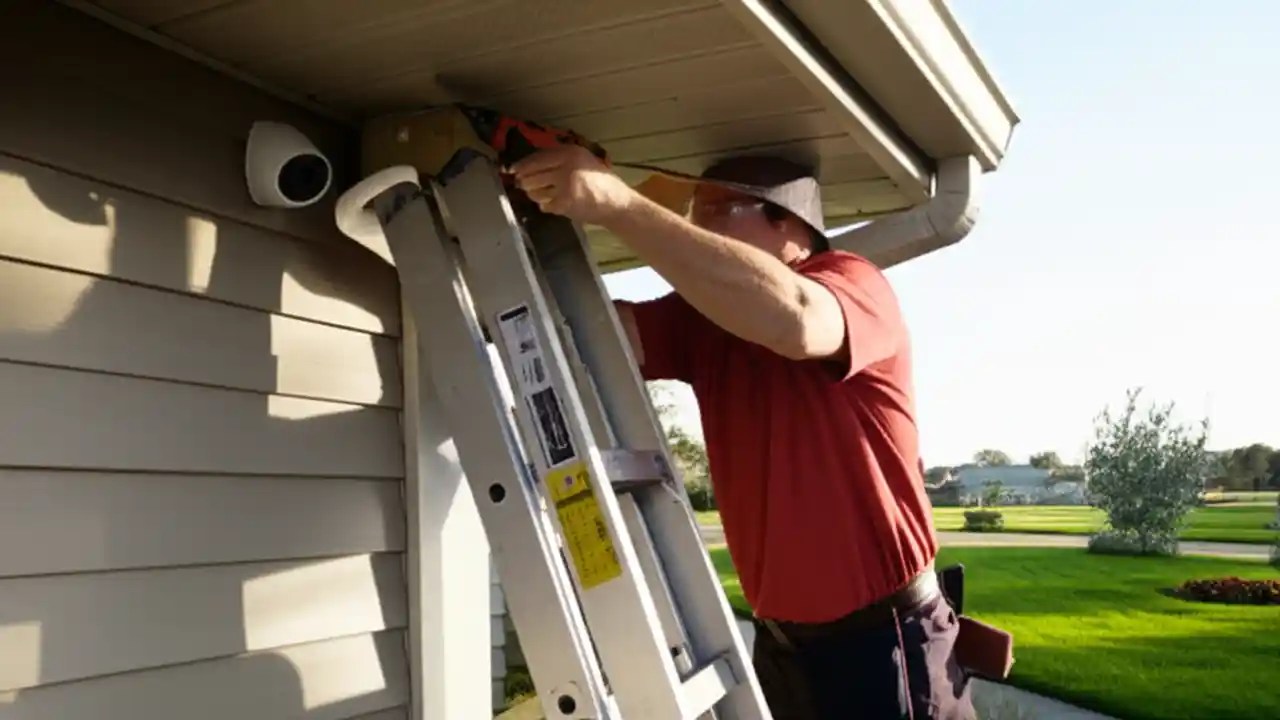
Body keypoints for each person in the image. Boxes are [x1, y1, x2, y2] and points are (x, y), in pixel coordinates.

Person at [509, 144, 974, 720]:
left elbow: (797, 319)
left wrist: (620, 205)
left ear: (789, 223)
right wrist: (510, 232)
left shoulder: (853, 282)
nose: (697, 229)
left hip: (885, 646)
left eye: (716, 212)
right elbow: (592, 334)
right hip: (784, 647)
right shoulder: (704, 320)